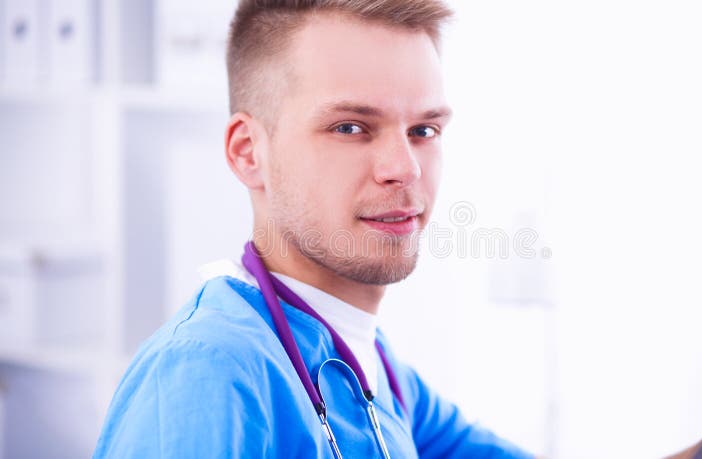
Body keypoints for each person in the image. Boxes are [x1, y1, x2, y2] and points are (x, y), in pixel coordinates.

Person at [93, 0, 537, 457]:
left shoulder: (376, 370)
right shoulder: (205, 373)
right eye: (350, 127)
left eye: (423, 131)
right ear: (249, 153)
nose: (404, 168)